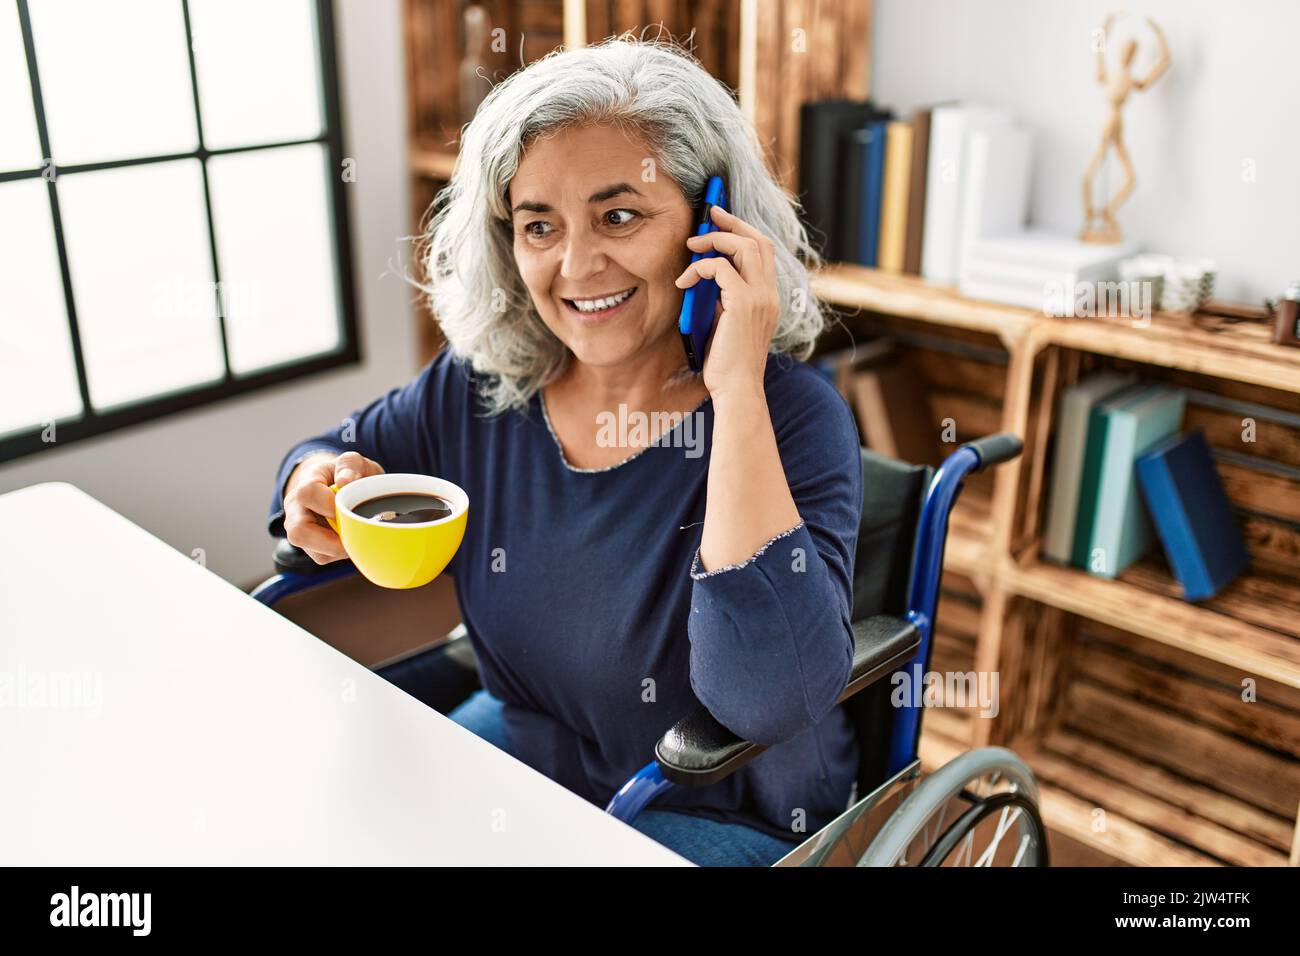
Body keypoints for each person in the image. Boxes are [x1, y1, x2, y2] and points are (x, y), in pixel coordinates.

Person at [267, 37, 863, 867]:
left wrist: (735, 392)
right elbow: (337, 448)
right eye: (538, 225)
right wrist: (313, 479)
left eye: (620, 215)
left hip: (709, 808)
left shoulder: (793, 418)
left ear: (714, 224)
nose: (576, 266)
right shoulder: (479, 387)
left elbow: (763, 700)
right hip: (536, 763)